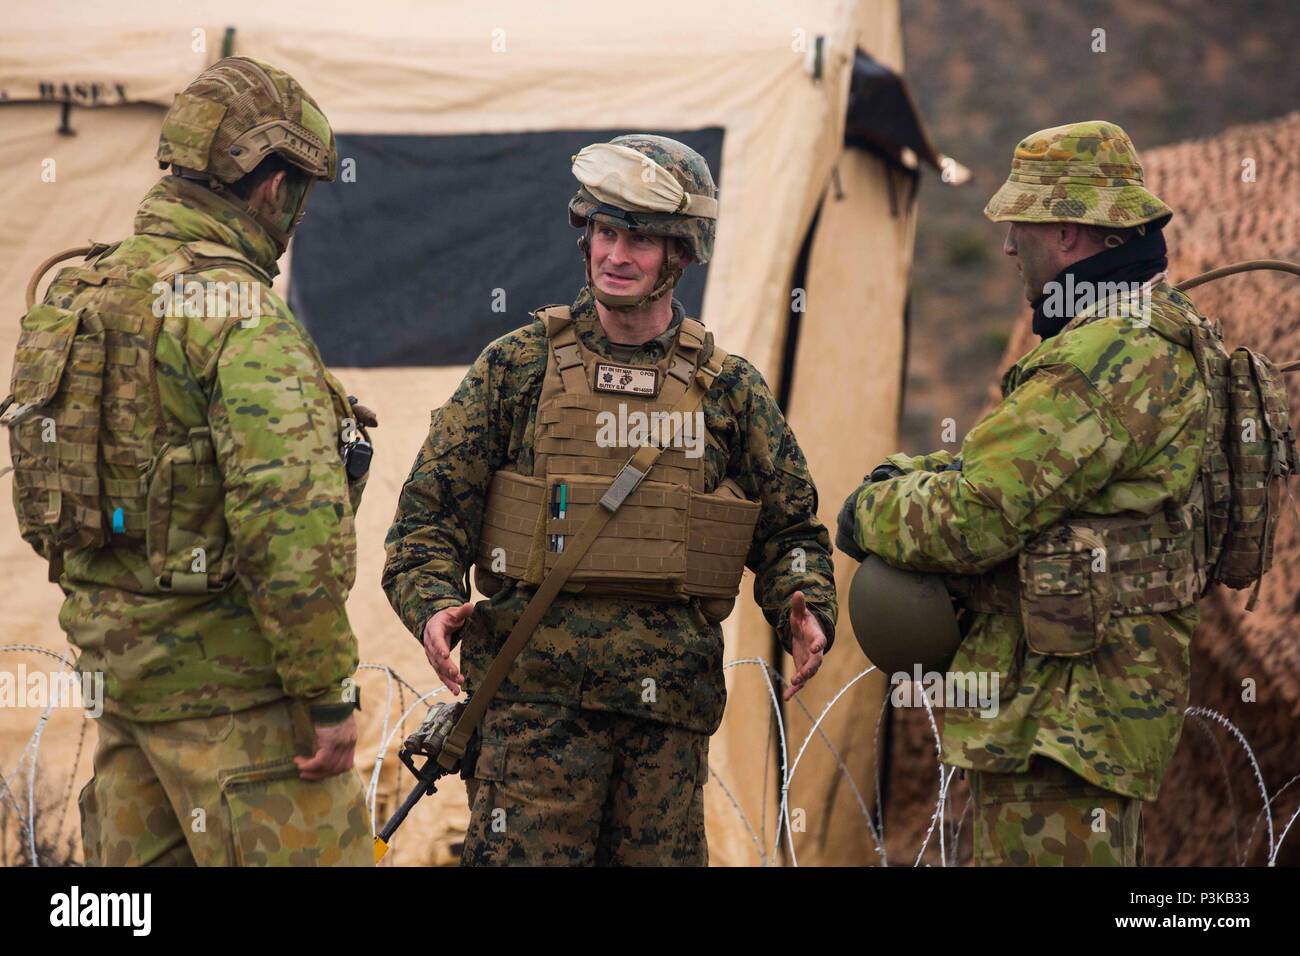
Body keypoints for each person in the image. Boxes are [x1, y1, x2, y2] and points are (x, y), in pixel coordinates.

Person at [383, 134, 836, 865]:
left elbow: (791, 531)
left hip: (666, 727)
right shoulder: (518, 369)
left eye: (642, 240)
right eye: (605, 231)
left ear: (681, 254)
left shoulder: (728, 391)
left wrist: (803, 603)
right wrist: (434, 605)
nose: (616, 255)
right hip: (532, 715)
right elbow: (428, 518)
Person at [3, 57, 373, 866]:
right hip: (242, 719)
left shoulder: (79, 295)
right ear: (274, 188)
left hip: (123, 695)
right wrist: (327, 693)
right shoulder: (240, 315)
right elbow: (291, 528)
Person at [840, 120, 1215, 866]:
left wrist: (868, 510)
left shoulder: (1102, 356)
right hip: (1077, 720)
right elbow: (1034, 481)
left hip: (1059, 724)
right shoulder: (1156, 330)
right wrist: (931, 475)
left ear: (1070, 233)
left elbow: (975, 519)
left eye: (1022, 226)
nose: (1010, 246)